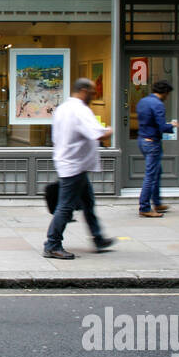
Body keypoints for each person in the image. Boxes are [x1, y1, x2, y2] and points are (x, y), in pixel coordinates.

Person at [43, 77, 115, 260]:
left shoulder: (63, 108)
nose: (94, 95)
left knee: (88, 203)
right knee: (65, 207)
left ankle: (98, 238)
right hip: (74, 165)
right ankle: (52, 244)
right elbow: (97, 133)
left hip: (72, 163)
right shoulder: (80, 110)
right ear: (83, 91)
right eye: (92, 92)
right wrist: (110, 130)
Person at [136, 80, 178, 218]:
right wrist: (172, 125)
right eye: (168, 94)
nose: (168, 97)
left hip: (142, 140)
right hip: (152, 142)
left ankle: (157, 202)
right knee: (151, 176)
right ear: (165, 92)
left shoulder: (143, 101)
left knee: (157, 172)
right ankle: (144, 207)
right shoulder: (158, 104)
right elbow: (161, 126)